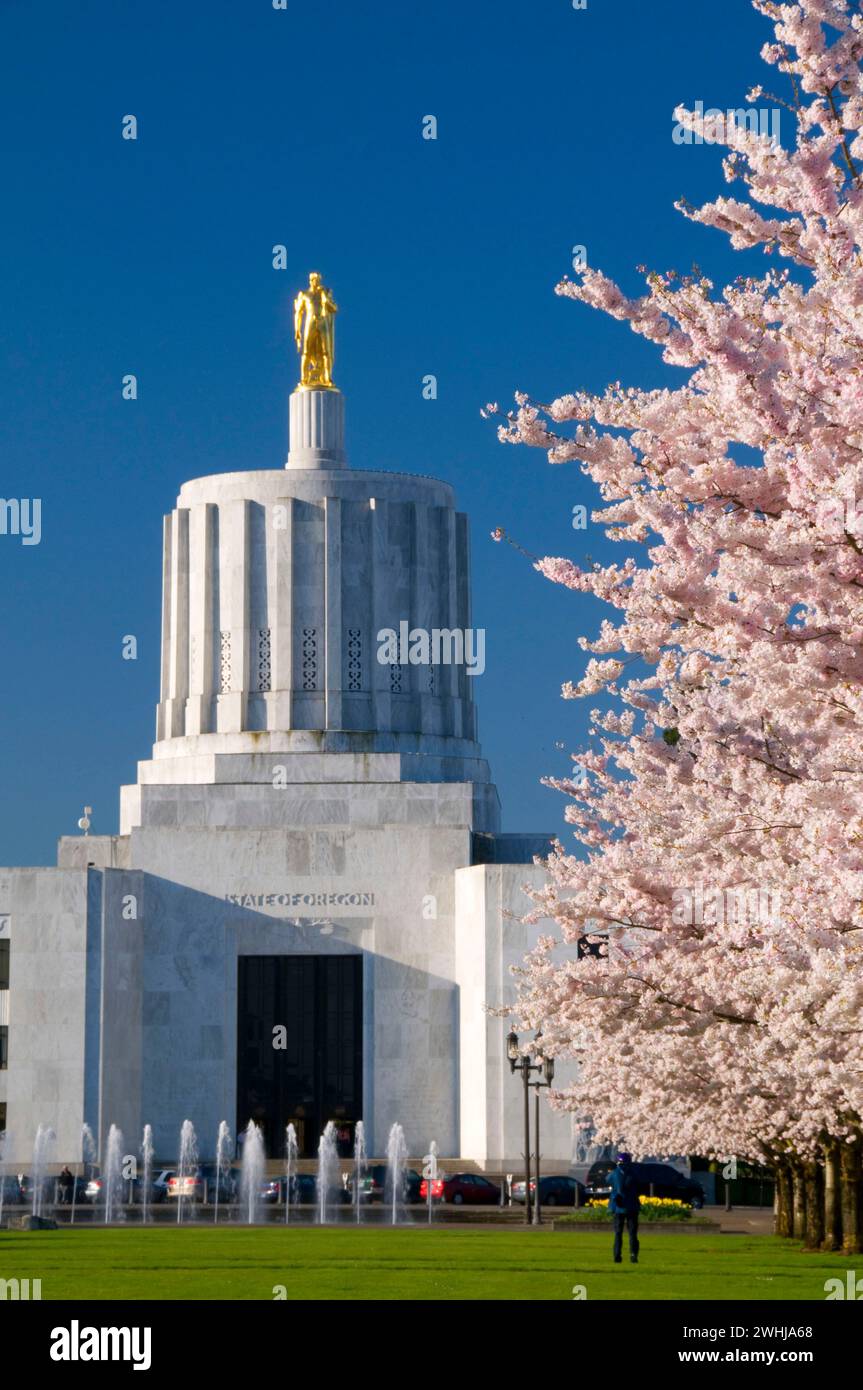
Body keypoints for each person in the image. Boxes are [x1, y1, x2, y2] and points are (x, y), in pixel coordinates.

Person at [609, 1152, 640, 1264]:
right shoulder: (633, 1174)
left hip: (618, 1207)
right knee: (632, 1233)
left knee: (618, 1233)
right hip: (632, 1207)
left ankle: (617, 1255)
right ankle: (633, 1254)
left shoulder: (614, 1173)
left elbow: (607, 1180)